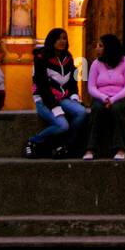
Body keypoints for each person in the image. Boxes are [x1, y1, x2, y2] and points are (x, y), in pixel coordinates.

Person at [25, 28, 87, 159]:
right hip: (44, 100)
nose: (62, 41)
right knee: (62, 125)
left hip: (63, 98)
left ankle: (67, 145)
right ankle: (33, 141)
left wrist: (75, 96)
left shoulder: (68, 58)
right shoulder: (41, 58)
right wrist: (54, 107)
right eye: (58, 38)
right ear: (51, 40)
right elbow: (42, 87)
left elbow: (72, 81)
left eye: (64, 38)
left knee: (81, 112)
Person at [83, 34, 125, 160]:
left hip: (121, 98)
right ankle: (90, 148)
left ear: (109, 48)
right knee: (97, 109)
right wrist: (103, 97)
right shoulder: (96, 64)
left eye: (100, 46)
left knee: (117, 109)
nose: (97, 49)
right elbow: (91, 87)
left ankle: (121, 149)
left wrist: (112, 99)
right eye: (97, 46)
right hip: (101, 98)